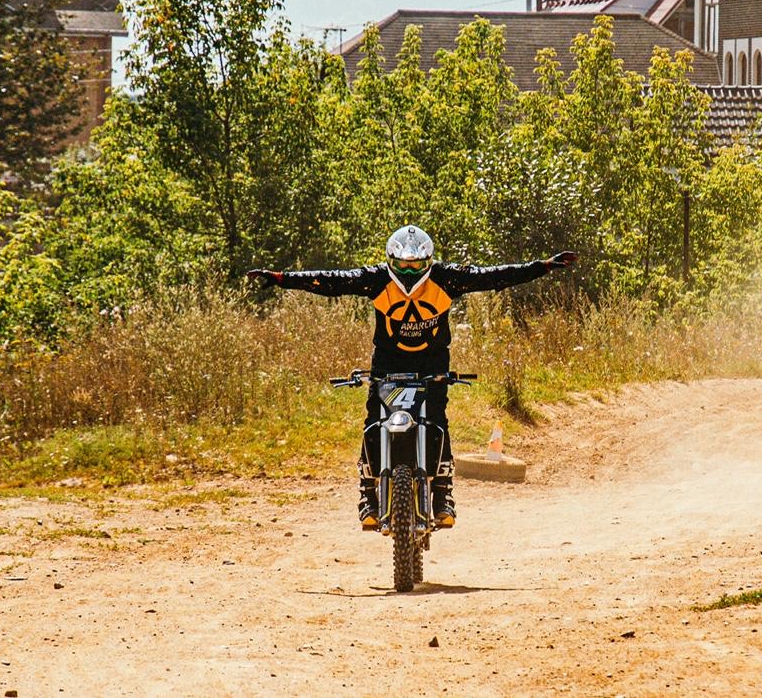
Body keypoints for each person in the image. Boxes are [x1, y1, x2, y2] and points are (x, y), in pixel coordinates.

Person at [247, 225, 578, 530]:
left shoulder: (447, 278)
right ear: (391, 261)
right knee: (373, 423)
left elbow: (496, 277)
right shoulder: (376, 279)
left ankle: (443, 495)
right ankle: (368, 494)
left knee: (437, 421)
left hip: (432, 364)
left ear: (428, 262)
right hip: (387, 364)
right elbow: (332, 281)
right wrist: (281, 278)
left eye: (416, 266)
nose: (408, 272)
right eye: (402, 266)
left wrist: (543, 266)